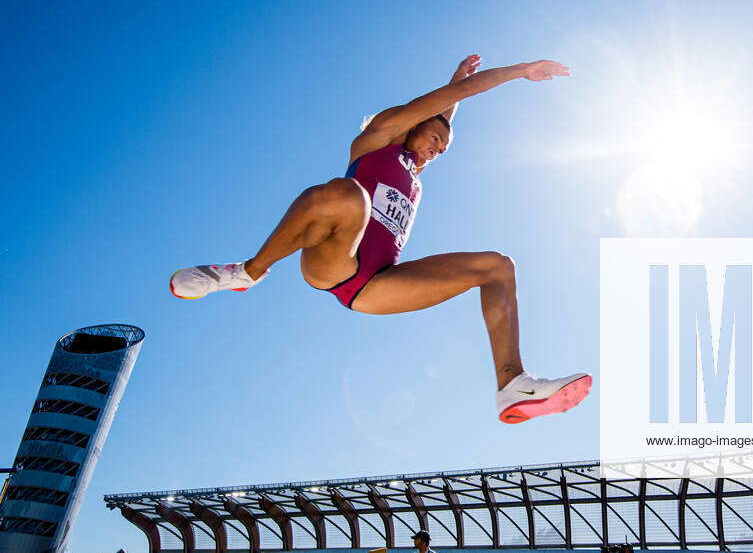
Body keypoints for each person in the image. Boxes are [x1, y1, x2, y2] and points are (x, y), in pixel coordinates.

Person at [170, 55, 591, 423]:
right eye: (435, 140)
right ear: (407, 125)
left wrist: (453, 95)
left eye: (443, 150)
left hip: (379, 286)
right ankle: (247, 271)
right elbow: (429, 110)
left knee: (497, 266)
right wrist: (517, 72)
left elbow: (438, 116)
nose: (436, 152)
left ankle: (512, 384)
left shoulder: (413, 174)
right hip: (335, 262)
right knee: (345, 195)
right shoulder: (373, 143)